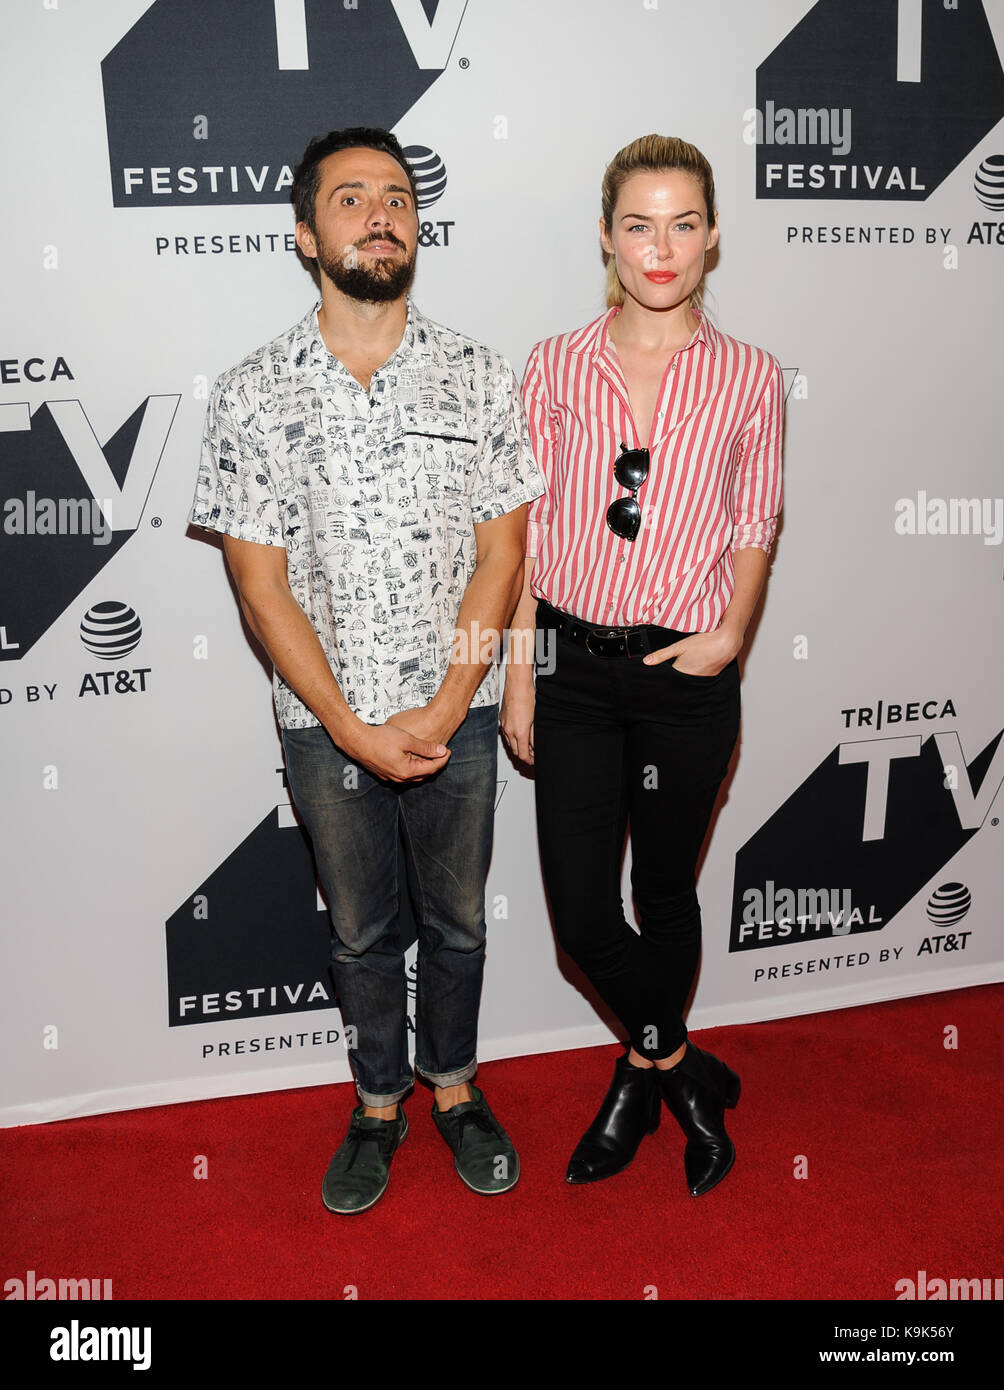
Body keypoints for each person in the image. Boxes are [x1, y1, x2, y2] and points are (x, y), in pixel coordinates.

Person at [190, 127, 543, 1214]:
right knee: (357, 933)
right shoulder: (251, 393)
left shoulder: (480, 374)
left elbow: (503, 553)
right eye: (350, 199)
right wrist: (345, 724)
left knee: (459, 925)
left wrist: (448, 703)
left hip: (463, 715)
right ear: (306, 236)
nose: (380, 213)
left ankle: (454, 1086)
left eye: (396, 197)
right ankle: (377, 1100)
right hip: (321, 725)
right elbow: (260, 589)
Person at [500, 134, 783, 1197]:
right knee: (581, 914)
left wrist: (731, 635)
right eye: (636, 223)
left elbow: (754, 522)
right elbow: (523, 533)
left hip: (686, 680)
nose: (658, 248)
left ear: (711, 238)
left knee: (664, 893)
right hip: (572, 671)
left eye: (680, 223)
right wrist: (520, 674)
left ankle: (633, 1074)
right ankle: (679, 1067)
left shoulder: (751, 375)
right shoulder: (554, 363)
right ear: (606, 240)